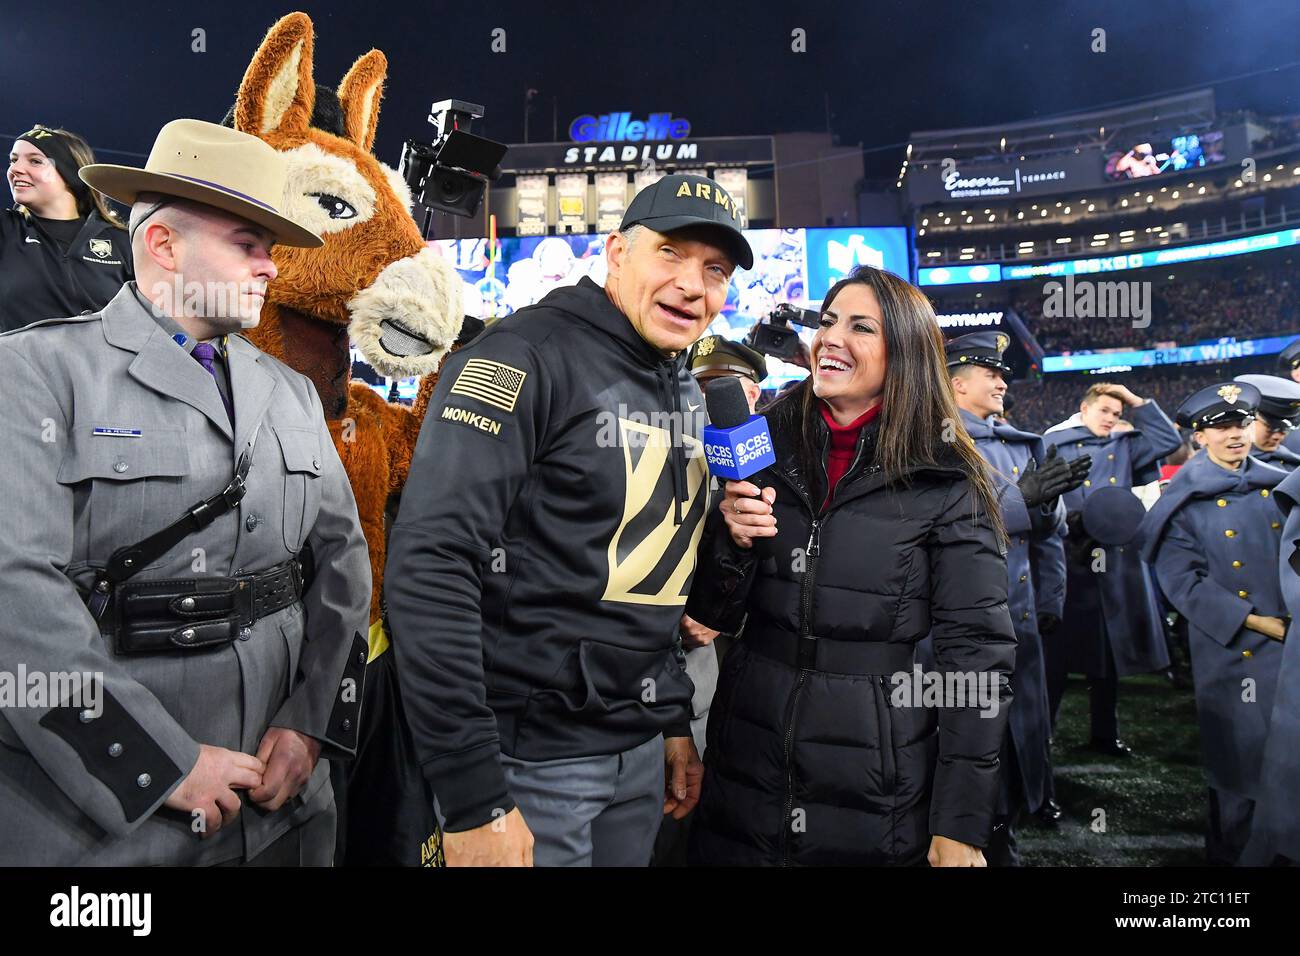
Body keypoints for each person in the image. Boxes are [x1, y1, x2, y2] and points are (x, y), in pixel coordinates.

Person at [0, 119, 372, 865]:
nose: (271, 268)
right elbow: (16, 596)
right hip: (110, 819)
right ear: (164, 247)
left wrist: (312, 724)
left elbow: (343, 565)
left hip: (285, 807)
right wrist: (154, 761)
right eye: (248, 244)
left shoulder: (293, 393)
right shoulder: (36, 374)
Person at [386, 174, 754, 867]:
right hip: (528, 761)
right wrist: (473, 792)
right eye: (670, 253)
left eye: (715, 270)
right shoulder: (522, 353)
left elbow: (646, 577)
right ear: (616, 253)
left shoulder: (676, 375)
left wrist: (669, 719)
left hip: (637, 750)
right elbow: (431, 565)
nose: (691, 284)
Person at [684, 265, 1017, 867]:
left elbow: (977, 657)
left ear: (906, 354)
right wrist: (731, 537)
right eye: (829, 321)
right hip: (746, 756)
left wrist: (962, 822)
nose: (830, 338)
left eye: (861, 327)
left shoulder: (947, 480)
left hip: (874, 774)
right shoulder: (763, 448)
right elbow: (706, 617)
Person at [945, 331, 1088, 862]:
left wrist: (1051, 600)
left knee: (1024, 727)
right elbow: (937, 526)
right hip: (959, 622)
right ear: (957, 383)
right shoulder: (932, 440)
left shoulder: (1023, 443)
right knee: (968, 735)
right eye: (991, 373)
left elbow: (1048, 536)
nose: (1003, 381)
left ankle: (1015, 817)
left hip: (1020, 615)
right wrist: (1018, 501)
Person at [1139, 382, 1289, 865]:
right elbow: (1185, 585)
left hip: (1291, 646)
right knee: (1240, 770)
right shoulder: (1180, 500)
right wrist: (1263, 624)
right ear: (1199, 437)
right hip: (1235, 652)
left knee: (1287, 766)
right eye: (1221, 427)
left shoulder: (1283, 481)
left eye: (1242, 424)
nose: (1234, 435)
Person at [652, 333, 768, 867]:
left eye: (724, 389)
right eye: (701, 387)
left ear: (755, 398)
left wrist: (722, 610)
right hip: (672, 670)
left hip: (745, 673)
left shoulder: (774, 466)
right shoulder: (657, 448)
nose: (707, 400)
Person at [1043, 382, 1181, 756]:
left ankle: (1105, 735)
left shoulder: (1125, 445)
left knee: (1107, 656)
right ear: (1083, 409)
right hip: (1070, 559)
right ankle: (1044, 735)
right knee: (1057, 656)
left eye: (1117, 414)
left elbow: (1168, 439)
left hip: (1114, 563)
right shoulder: (1053, 442)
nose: (1110, 418)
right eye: (1104, 410)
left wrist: (1138, 402)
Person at [2, 126, 132, 332]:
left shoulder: (124, 242)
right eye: (13, 160)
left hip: (104, 364)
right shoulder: (7, 230)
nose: (15, 169)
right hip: (17, 364)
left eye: (35, 161)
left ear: (69, 174)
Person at [1234, 373, 1300, 472]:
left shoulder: (1293, 464)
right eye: (1272, 428)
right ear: (1245, 421)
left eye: (1285, 429)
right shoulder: (1219, 465)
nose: (1278, 437)